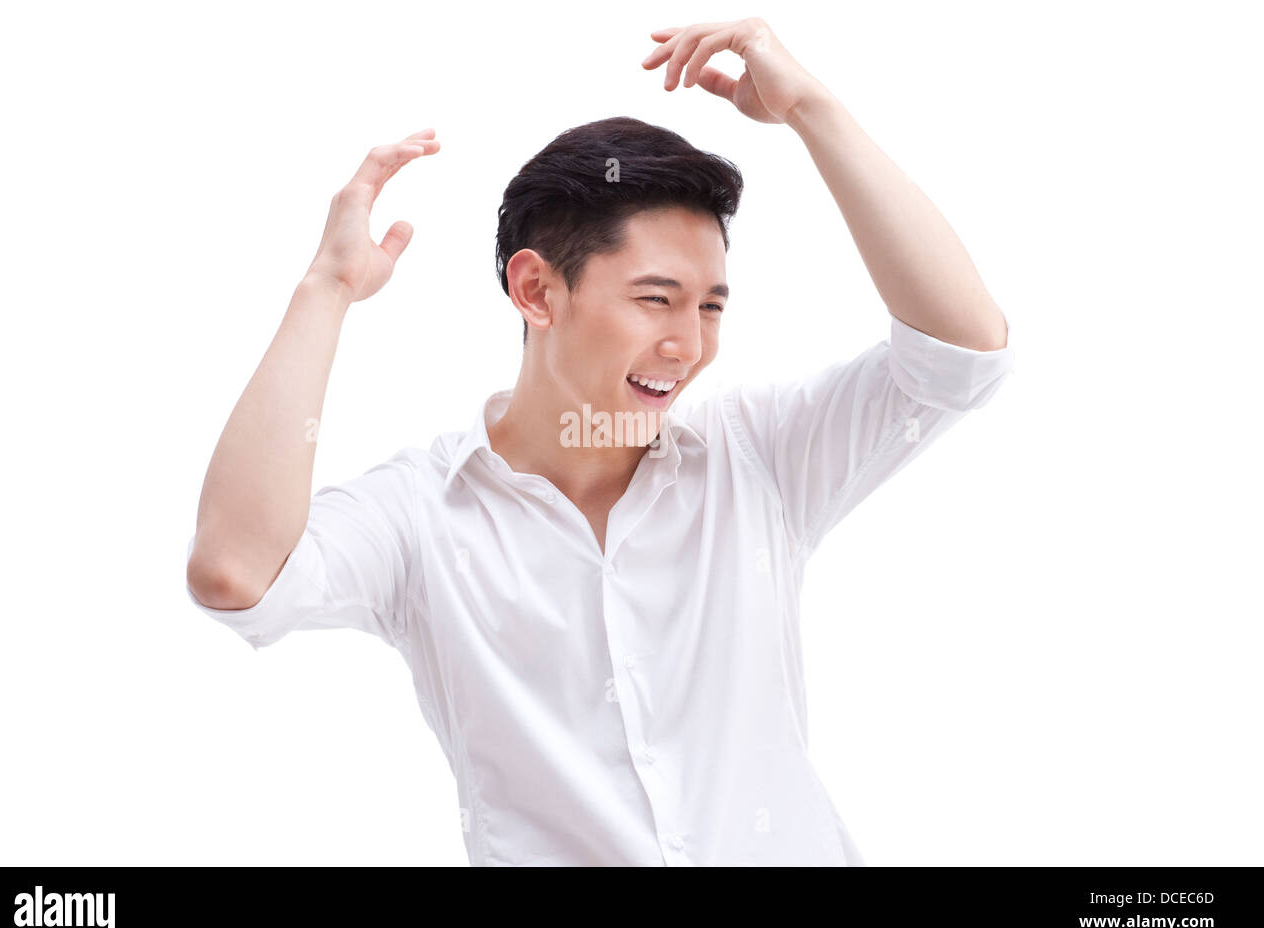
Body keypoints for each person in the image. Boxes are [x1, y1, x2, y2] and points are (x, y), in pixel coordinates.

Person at [185, 18, 1015, 866]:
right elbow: (237, 574)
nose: (689, 346)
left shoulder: (758, 456)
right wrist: (326, 289)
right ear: (536, 291)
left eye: (712, 306)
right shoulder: (421, 515)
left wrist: (809, 108)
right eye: (656, 300)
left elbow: (962, 355)